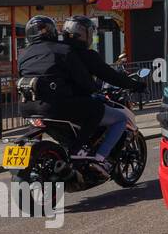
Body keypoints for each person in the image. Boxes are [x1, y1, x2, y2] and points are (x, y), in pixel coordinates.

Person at [17, 17, 108, 164]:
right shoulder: (63, 50)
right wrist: (94, 89)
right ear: (53, 31)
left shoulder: (23, 55)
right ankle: (78, 149)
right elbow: (83, 80)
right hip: (54, 106)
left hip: (26, 107)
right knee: (97, 108)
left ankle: (33, 146)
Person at [61, 16, 145, 167]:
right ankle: (100, 158)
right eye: (90, 32)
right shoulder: (85, 54)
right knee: (120, 118)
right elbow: (110, 75)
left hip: (51, 103)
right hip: (77, 103)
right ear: (82, 34)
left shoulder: (58, 51)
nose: (91, 36)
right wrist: (136, 85)